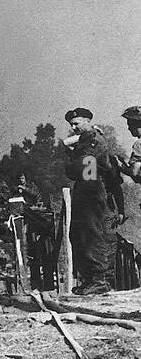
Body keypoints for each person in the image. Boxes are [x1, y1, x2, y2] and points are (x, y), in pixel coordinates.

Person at [63, 107, 123, 294]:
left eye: (77, 123)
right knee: (78, 234)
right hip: (84, 189)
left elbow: (81, 169)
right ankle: (90, 279)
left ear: (88, 121)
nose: (74, 127)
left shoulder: (93, 141)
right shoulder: (84, 140)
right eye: (71, 125)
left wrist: (71, 164)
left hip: (92, 189)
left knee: (90, 234)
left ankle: (98, 279)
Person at [122, 105, 141, 183]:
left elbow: (134, 171)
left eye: (130, 125)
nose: (129, 128)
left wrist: (121, 166)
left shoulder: (139, 144)